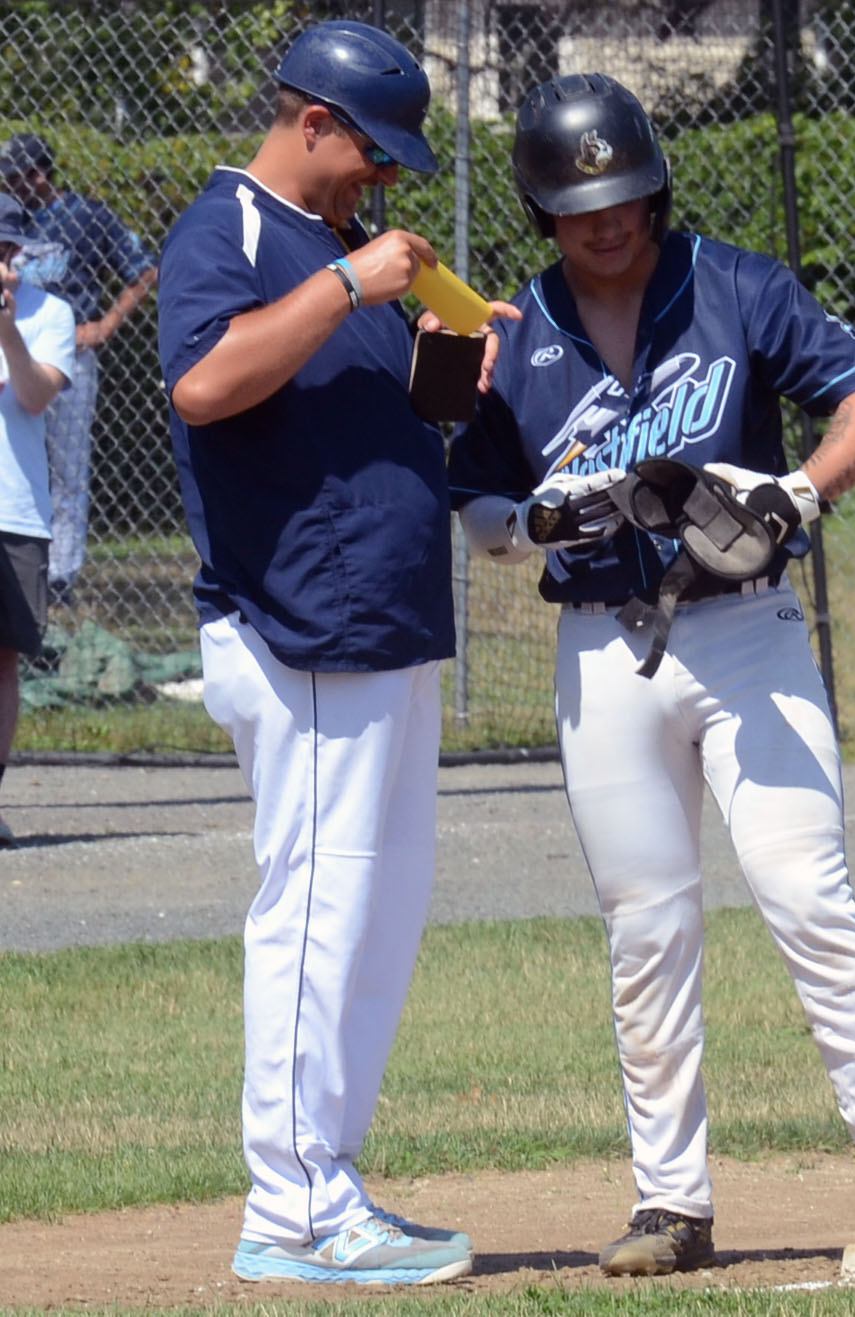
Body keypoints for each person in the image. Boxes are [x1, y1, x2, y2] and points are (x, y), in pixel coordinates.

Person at [449, 73, 855, 1277]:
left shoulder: (734, 285)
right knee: (646, 930)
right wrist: (531, 523)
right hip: (604, 651)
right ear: (541, 213)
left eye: (624, 196)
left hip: (746, 629)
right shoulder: (514, 331)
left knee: (803, 891)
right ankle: (670, 1204)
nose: (606, 222)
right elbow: (473, 503)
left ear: (654, 188)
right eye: (579, 207)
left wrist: (798, 492)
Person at [156, 20, 517, 1287]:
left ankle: (330, 1182)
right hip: (299, 622)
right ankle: (290, 1208)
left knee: (374, 915)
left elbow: (403, 418)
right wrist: (348, 289)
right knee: (315, 913)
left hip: (382, 625)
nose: (385, 178)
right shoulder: (235, 229)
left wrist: (459, 356)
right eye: (372, 150)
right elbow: (204, 382)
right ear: (310, 120)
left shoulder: (338, 250)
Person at [0, 130, 157, 605]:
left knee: (68, 470)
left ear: (39, 174)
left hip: (69, 357)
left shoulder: (87, 216)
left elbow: (145, 271)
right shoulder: (12, 217)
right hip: (14, 353)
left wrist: (106, 325)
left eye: (15, 175)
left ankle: (61, 577)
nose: (8, 183)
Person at [0, 192, 75, 846]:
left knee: (3, 659)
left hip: (15, 508)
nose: (6, 265)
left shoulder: (51, 314)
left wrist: (6, 328)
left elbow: (32, 394)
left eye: (10, 252)